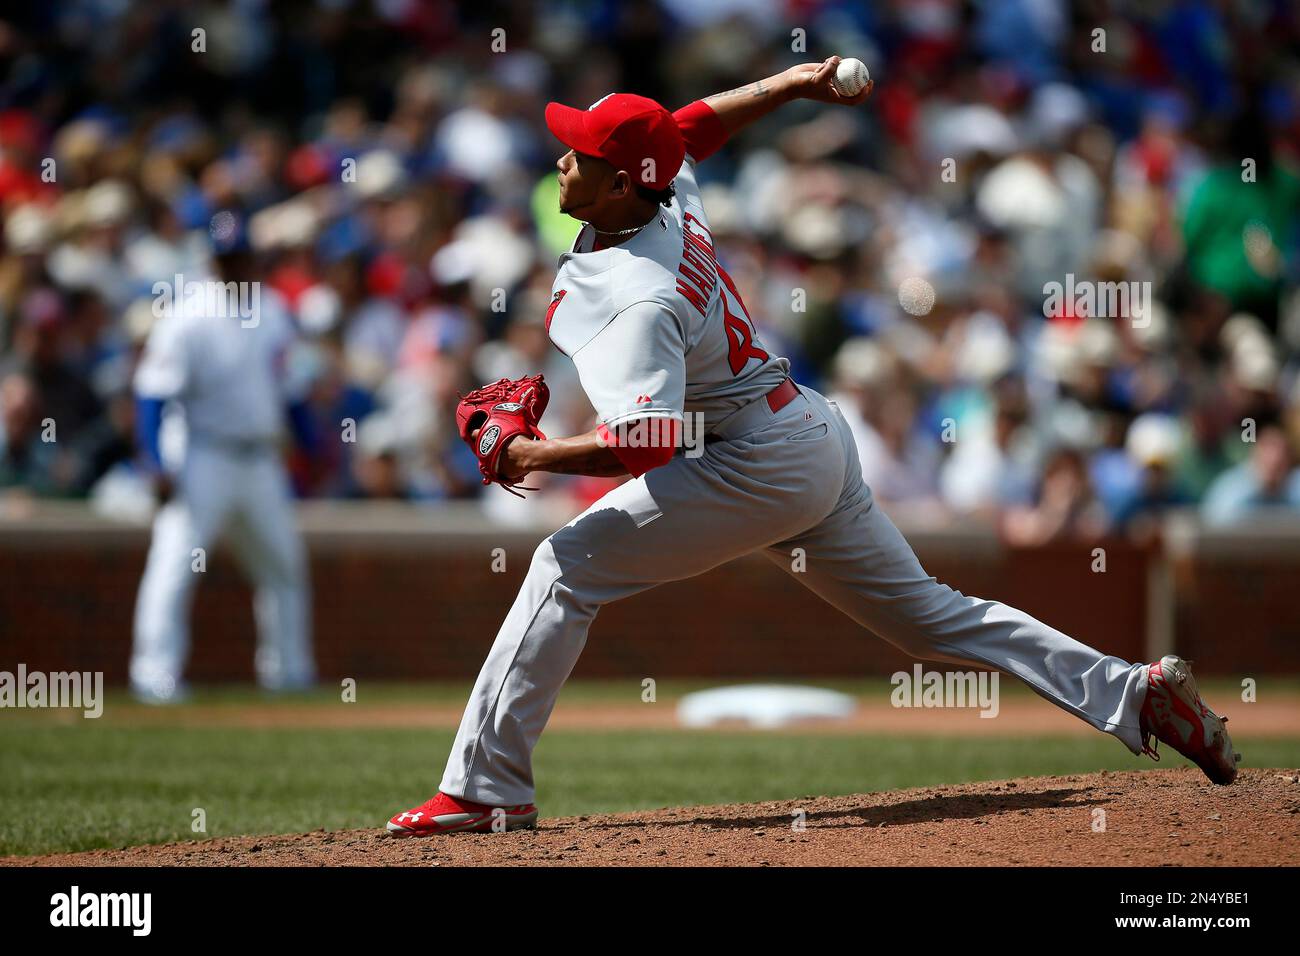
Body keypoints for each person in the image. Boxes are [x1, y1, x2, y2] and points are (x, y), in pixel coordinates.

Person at [387, 58, 1238, 837]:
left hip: (752, 460)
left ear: (616, 184)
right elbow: (687, 130)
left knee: (563, 569)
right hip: (806, 435)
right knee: (929, 620)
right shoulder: (666, 198)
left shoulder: (633, 296)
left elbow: (650, 442)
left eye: (578, 154)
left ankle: (485, 790)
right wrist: (790, 85)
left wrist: (529, 456)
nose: (559, 160)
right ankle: (1137, 693)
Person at [129, 233, 317, 703]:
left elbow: (289, 389)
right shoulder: (188, 313)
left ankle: (288, 673)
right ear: (212, 260)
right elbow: (153, 392)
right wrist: (155, 460)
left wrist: (312, 445)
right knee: (175, 565)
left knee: (283, 566)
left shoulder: (272, 309)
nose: (235, 265)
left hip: (261, 459)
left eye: (241, 256)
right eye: (227, 257)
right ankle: (156, 675)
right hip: (202, 456)